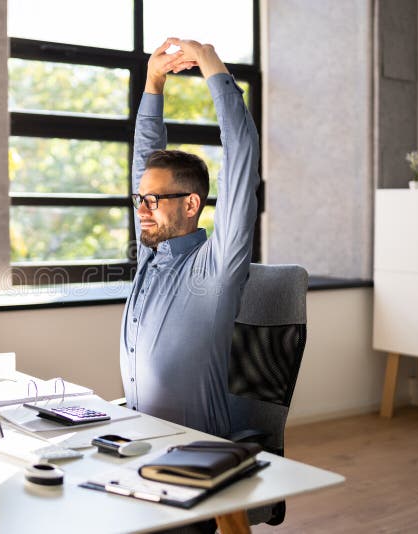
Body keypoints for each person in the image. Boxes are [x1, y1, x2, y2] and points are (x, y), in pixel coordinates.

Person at [120, 38, 260, 438]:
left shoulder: (217, 265)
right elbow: (142, 159)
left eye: (153, 199)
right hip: (137, 445)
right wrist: (153, 83)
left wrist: (213, 68)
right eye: (139, 198)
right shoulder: (152, 254)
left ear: (191, 204)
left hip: (193, 459)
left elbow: (241, 152)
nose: (142, 209)